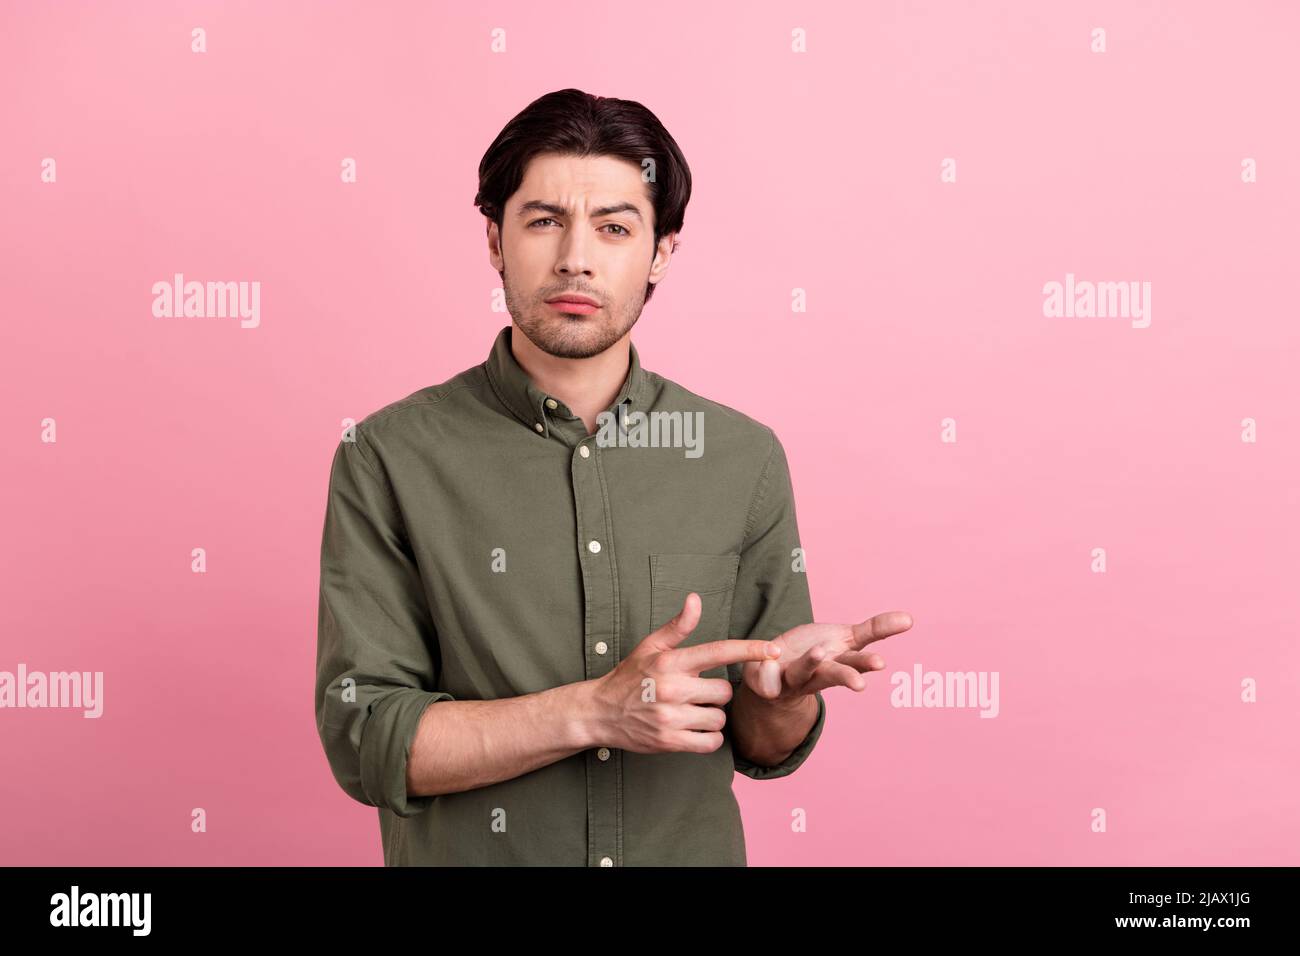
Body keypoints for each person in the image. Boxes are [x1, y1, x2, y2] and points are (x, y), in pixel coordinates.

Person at [314, 88, 913, 865]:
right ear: (494, 240)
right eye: (543, 220)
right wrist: (597, 712)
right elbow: (368, 739)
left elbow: (761, 743)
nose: (576, 256)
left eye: (614, 227)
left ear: (662, 250)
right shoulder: (389, 456)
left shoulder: (741, 457)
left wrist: (788, 697)